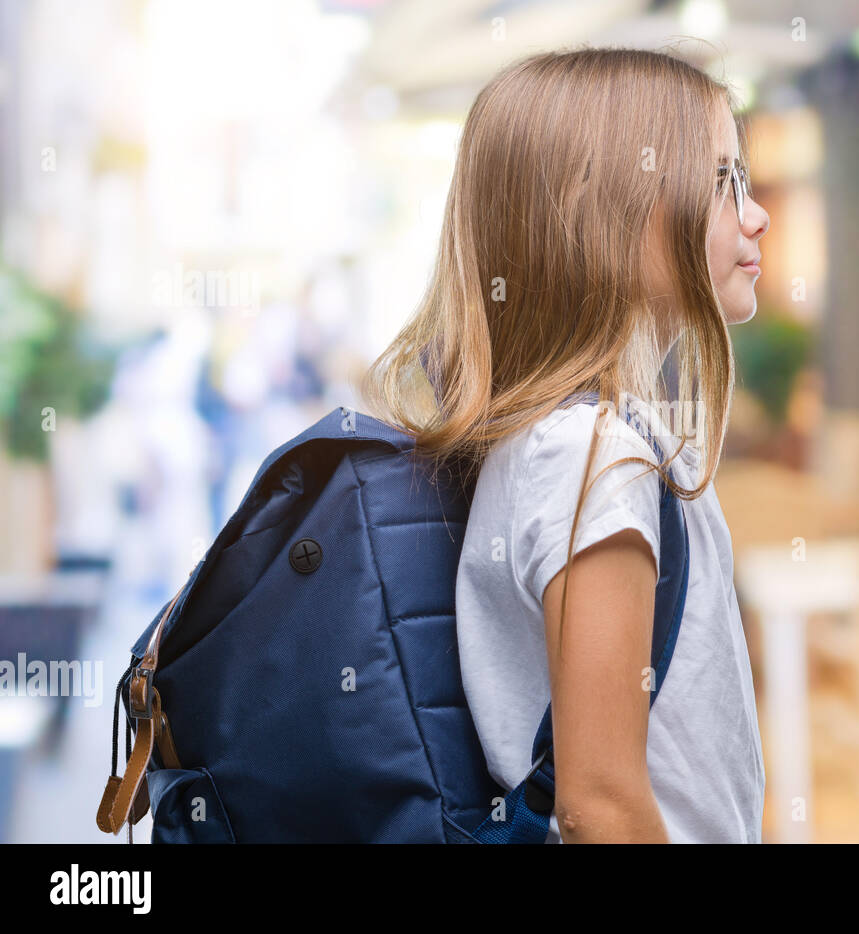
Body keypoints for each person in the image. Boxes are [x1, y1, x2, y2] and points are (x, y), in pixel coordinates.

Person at [361, 47, 770, 843]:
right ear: (602, 209)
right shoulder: (591, 454)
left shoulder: (578, 437)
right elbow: (601, 807)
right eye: (722, 181)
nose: (754, 214)